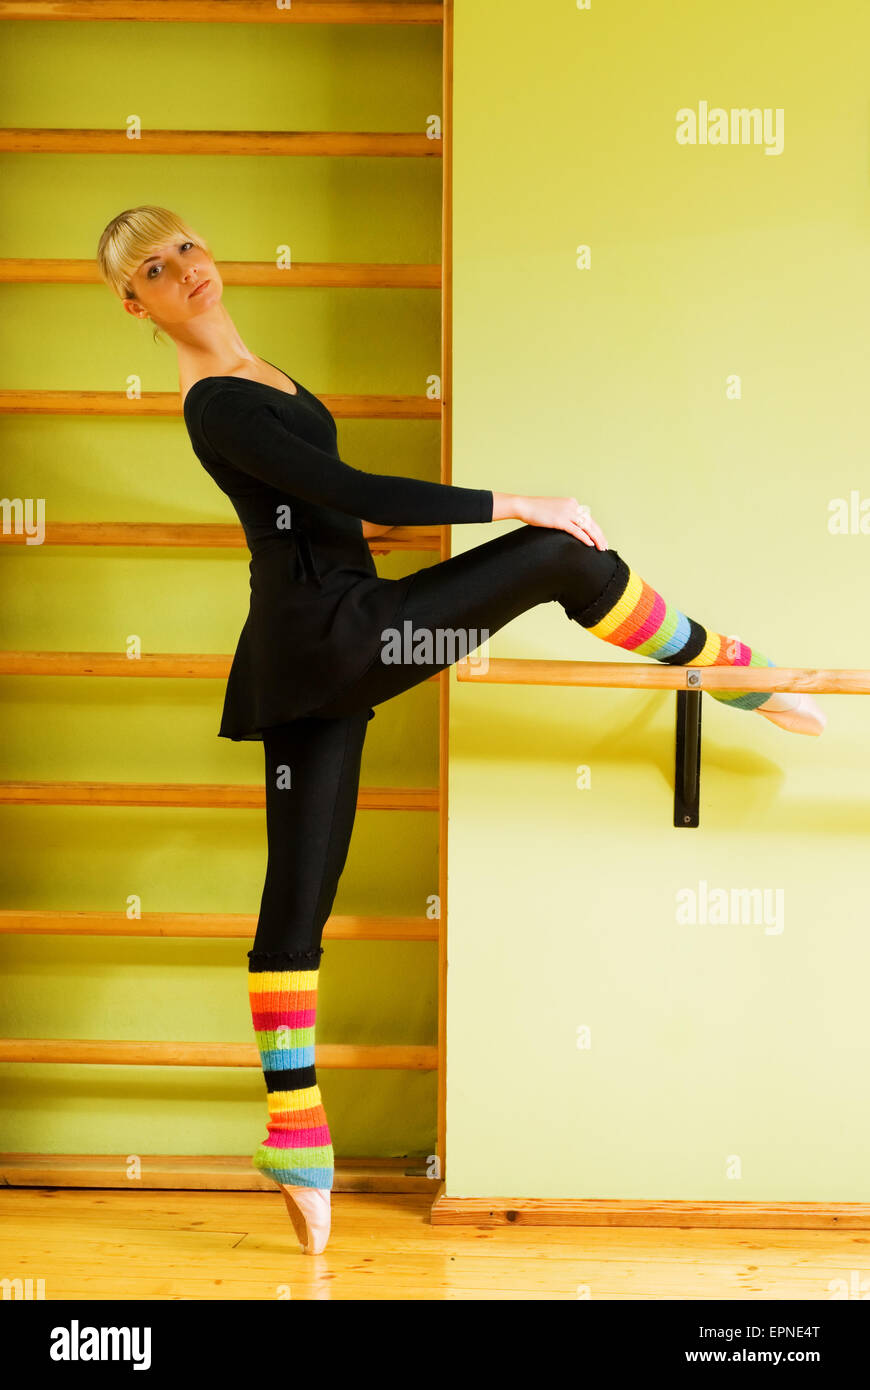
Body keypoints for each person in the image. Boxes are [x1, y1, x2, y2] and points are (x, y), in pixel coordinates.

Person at [96, 205, 826, 1256]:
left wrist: (436, 522)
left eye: (189, 247)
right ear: (138, 304)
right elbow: (348, 488)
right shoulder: (214, 403)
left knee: (298, 896)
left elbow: (340, 515)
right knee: (559, 557)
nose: (187, 271)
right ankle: (729, 669)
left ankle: (294, 1138)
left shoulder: (254, 372)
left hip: (317, 650)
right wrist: (510, 499)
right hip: (338, 632)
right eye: (157, 270)